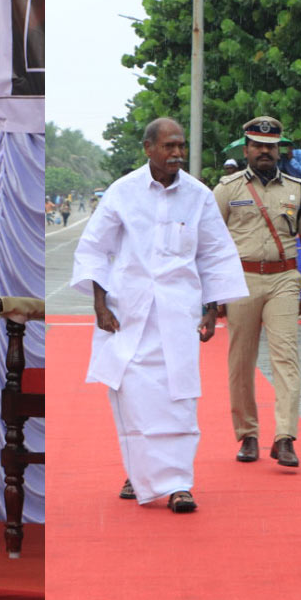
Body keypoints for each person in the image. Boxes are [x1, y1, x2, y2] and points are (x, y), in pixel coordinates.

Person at [71, 117, 246, 512]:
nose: (177, 154)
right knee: (133, 400)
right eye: (168, 146)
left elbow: (215, 252)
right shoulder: (123, 192)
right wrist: (99, 305)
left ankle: (179, 483)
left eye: (181, 146)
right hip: (128, 315)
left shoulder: (198, 195)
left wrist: (212, 308)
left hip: (178, 313)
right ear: (148, 148)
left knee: (178, 398)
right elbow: (95, 249)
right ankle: (138, 473)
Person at [212, 116, 301, 468]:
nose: (264, 152)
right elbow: (212, 243)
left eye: (271, 146)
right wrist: (213, 297)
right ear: (246, 149)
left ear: (279, 149)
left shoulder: (297, 190)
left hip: (284, 279)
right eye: (257, 145)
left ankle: (285, 437)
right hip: (240, 280)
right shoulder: (227, 189)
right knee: (240, 362)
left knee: (286, 358)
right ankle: (247, 435)